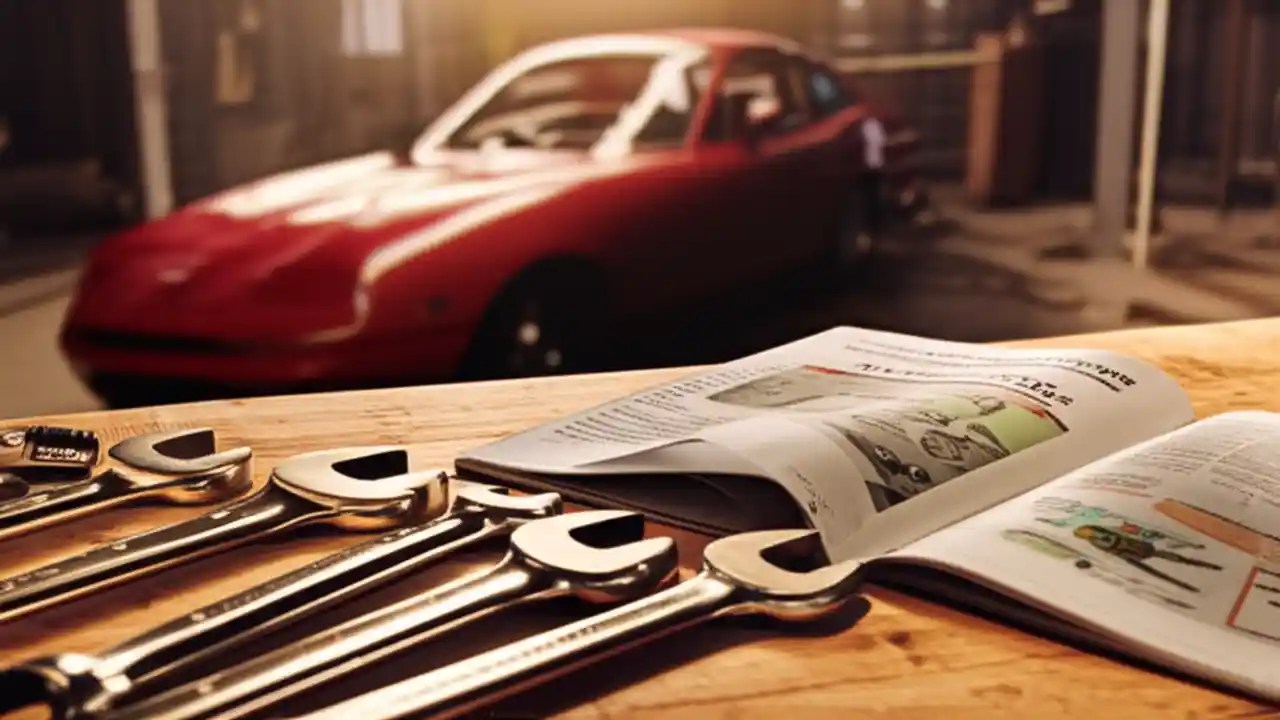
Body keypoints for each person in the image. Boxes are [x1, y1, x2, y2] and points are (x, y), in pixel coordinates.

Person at [858, 114, 886, 241]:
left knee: (870, 197)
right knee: (873, 196)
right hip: (873, 166)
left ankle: (873, 226)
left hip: (869, 167)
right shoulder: (873, 125)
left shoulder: (868, 126)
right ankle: (875, 226)